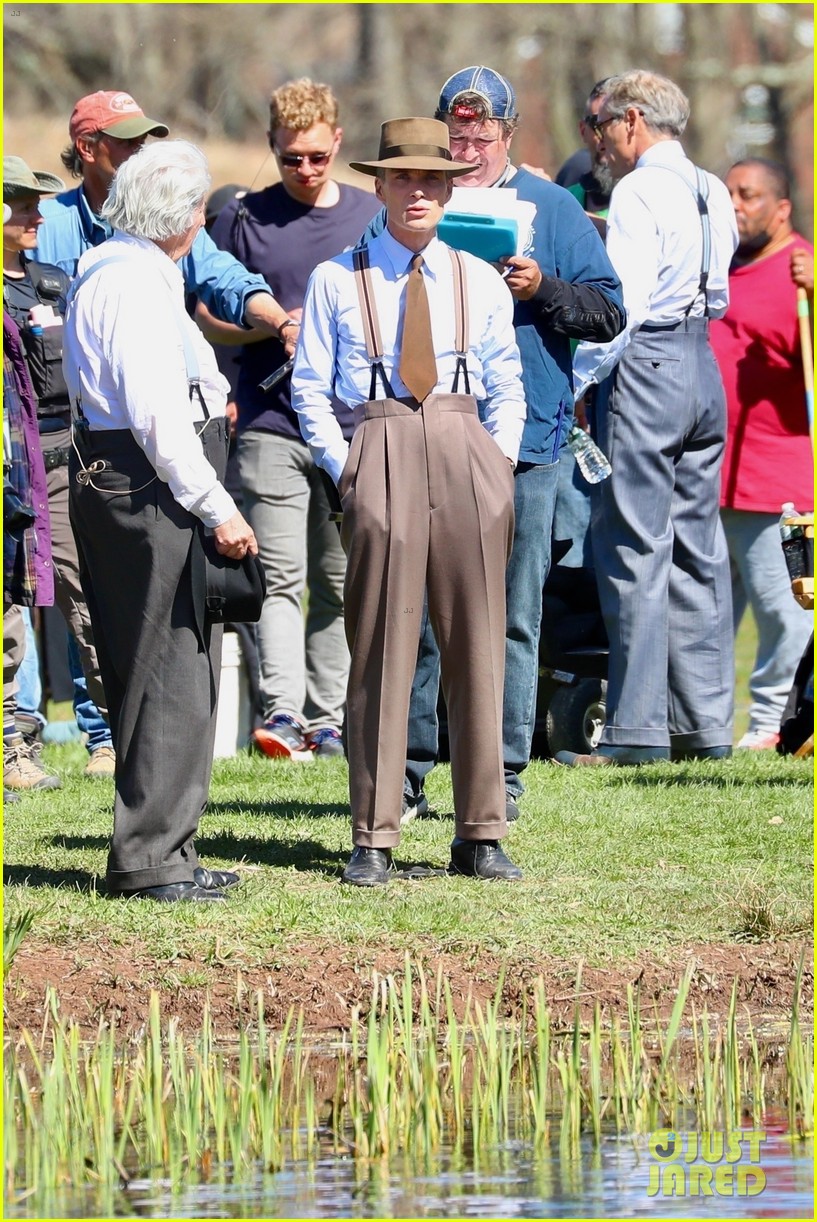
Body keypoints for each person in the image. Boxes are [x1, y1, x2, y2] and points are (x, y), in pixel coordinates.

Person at [365, 68, 624, 821]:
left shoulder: (550, 207)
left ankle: (500, 778)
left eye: (482, 137)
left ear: (507, 135)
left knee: (511, 618)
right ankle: (408, 773)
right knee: (412, 615)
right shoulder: (410, 204)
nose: (469, 149)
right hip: (418, 433)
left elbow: (607, 315)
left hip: (528, 441)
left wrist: (541, 287)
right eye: (457, 136)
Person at [291, 117, 527, 886]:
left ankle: (480, 831)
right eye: (403, 178)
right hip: (380, 442)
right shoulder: (338, 276)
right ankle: (373, 833)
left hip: (465, 447)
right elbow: (310, 388)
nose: (418, 192)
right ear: (380, 185)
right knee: (382, 650)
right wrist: (349, 468)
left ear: (450, 186)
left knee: (477, 646)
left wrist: (497, 462)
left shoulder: (477, 277)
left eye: (432, 179)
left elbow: (506, 381)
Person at [63, 140, 257, 903]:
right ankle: (149, 860)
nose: (204, 219)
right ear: (179, 218)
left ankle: (169, 849)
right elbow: (155, 417)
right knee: (166, 673)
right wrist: (219, 508)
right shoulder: (132, 285)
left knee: (184, 669)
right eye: (199, 208)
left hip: (136, 479)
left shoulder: (127, 271)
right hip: (148, 487)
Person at [564, 69, 739, 766]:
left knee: (633, 547)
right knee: (698, 549)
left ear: (633, 121)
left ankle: (635, 732)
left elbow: (620, 309)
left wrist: (578, 379)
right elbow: (719, 295)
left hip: (648, 363)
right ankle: (705, 727)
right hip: (702, 362)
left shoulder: (637, 191)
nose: (598, 141)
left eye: (603, 125)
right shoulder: (711, 186)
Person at [203, 78, 380, 762]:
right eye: (288, 158)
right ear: (270, 147)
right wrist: (271, 329)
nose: (303, 171)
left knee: (339, 581)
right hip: (270, 423)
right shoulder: (244, 218)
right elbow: (206, 317)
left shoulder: (370, 215)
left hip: (352, 426)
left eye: (315, 156)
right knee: (278, 575)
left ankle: (328, 717)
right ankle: (281, 710)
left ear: (337, 141)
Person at [3, 155, 115, 777]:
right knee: (6, 607)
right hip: (6, 467)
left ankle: (117, 737)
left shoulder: (55, 282)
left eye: (36, 200)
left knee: (86, 593)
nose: (34, 213)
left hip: (61, 460)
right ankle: (12, 746)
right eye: (17, 201)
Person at [32, 91, 295, 340]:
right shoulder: (39, 225)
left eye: (142, 143)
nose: (140, 153)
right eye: (126, 142)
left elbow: (227, 280)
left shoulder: (171, 217)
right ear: (86, 148)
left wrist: (283, 325)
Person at [710, 158, 814, 749]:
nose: (734, 205)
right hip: (712, 475)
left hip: (779, 481)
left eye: (747, 195)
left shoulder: (802, 272)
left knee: (786, 611)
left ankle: (777, 723)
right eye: (727, 193)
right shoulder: (722, 267)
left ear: (781, 208)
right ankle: (704, 723)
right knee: (710, 616)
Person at [3, 291, 58, 793]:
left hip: (11, 479)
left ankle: (12, 746)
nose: (33, 219)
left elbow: (33, 394)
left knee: (10, 619)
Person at [556, 78, 614, 231]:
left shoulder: (649, 196)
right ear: (583, 130)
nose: (607, 137)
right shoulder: (567, 198)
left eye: (614, 124)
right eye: (598, 125)